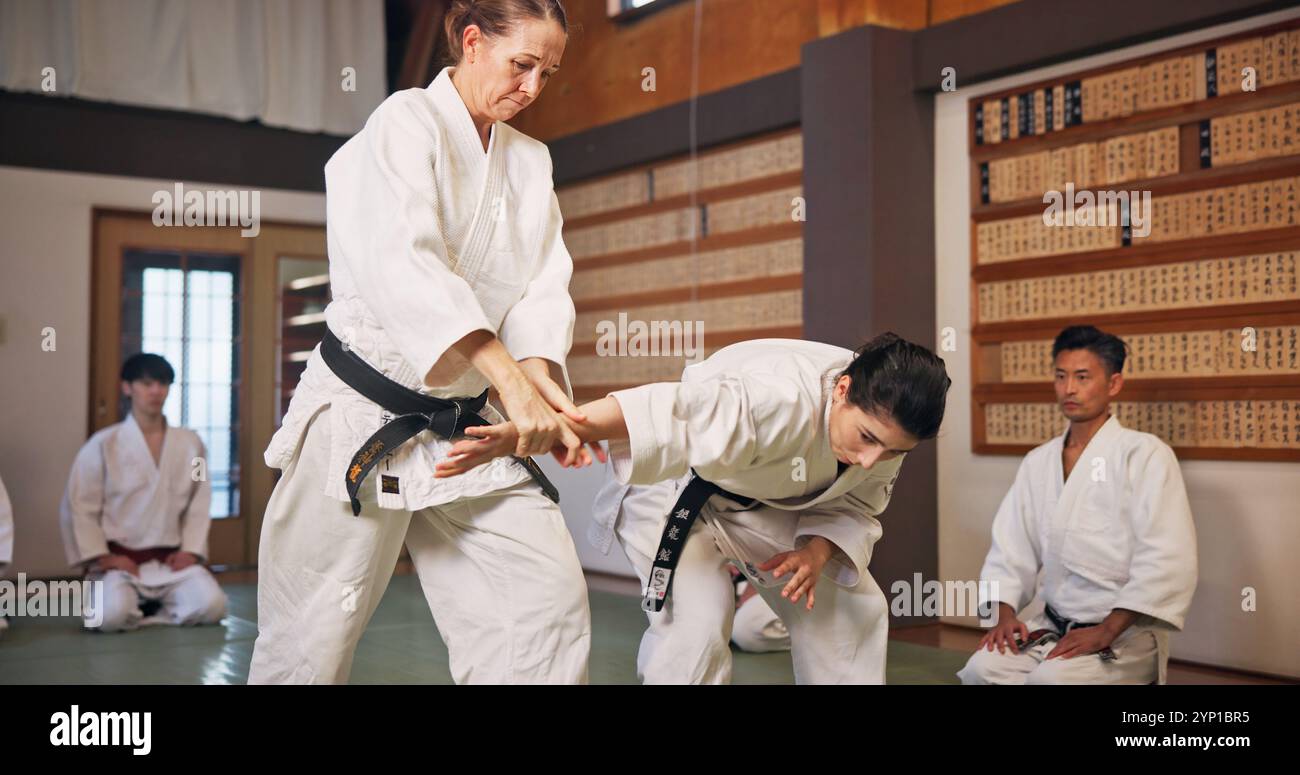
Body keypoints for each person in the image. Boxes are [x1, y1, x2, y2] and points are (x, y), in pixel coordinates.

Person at [248, 0, 599, 685]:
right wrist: (508, 379)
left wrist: (537, 379)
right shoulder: (405, 123)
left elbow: (540, 283)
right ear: (472, 42)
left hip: (464, 428)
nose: (532, 88)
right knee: (312, 630)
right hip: (361, 416)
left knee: (541, 604)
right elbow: (403, 262)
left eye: (548, 73)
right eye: (521, 64)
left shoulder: (530, 162)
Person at [439, 333, 952, 684]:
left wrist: (817, 552)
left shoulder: (884, 422)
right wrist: (537, 430)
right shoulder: (774, 396)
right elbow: (666, 413)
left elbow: (857, 502)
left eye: (891, 452)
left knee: (855, 608)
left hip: (765, 508)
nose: (871, 460)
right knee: (699, 621)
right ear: (842, 390)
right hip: (677, 494)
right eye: (867, 439)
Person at [957, 325, 1198, 685]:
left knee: (1049, 681)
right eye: (1061, 376)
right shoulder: (1039, 461)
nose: (1069, 388)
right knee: (981, 670)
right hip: (1052, 626)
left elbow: (1167, 557)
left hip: (1122, 636)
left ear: (1114, 384)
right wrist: (1004, 615)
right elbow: (1010, 549)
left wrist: (1106, 630)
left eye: (1082, 377)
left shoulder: (1145, 455)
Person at [59, 353, 227, 633]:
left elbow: (200, 501)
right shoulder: (103, 444)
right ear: (127, 387)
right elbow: (80, 507)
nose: (155, 391)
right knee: (110, 616)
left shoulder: (191, 444)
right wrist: (105, 558)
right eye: (146, 383)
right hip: (121, 564)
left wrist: (191, 550)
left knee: (213, 606)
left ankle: (152, 607)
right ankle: (138, 604)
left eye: (162, 384)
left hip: (170, 563)